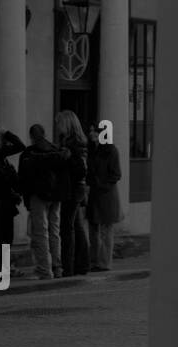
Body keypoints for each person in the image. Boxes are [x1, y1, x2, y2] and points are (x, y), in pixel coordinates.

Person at [18, 124, 68, 279]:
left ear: (31, 136)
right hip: (56, 197)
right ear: (45, 133)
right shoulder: (57, 150)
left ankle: (44, 269)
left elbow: (23, 180)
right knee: (54, 232)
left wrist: (26, 199)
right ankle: (57, 267)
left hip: (38, 195)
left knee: (41, 233)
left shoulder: (29, 154)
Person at [54, 110, 90, 276]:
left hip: (73, 189)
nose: (57, 126)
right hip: (76, 188)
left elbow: (81, 170)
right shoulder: (74, 142)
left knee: (67, 228)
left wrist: (67, 159)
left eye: (59, 122)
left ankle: (69, 266)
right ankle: (81, 265)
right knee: (76, 226)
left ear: (67, 124)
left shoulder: (73, 144)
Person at [86, 123, 122, 272]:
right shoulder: (92, 150)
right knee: (93, 229)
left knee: (106, 230)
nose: (92, 133)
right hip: (94, 194)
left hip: (106, 194)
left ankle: (104, 262)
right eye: (91, 131)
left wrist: (100, 184)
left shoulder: (111, 150)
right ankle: (94, 261)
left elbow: (116, 174)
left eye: (95, 131)